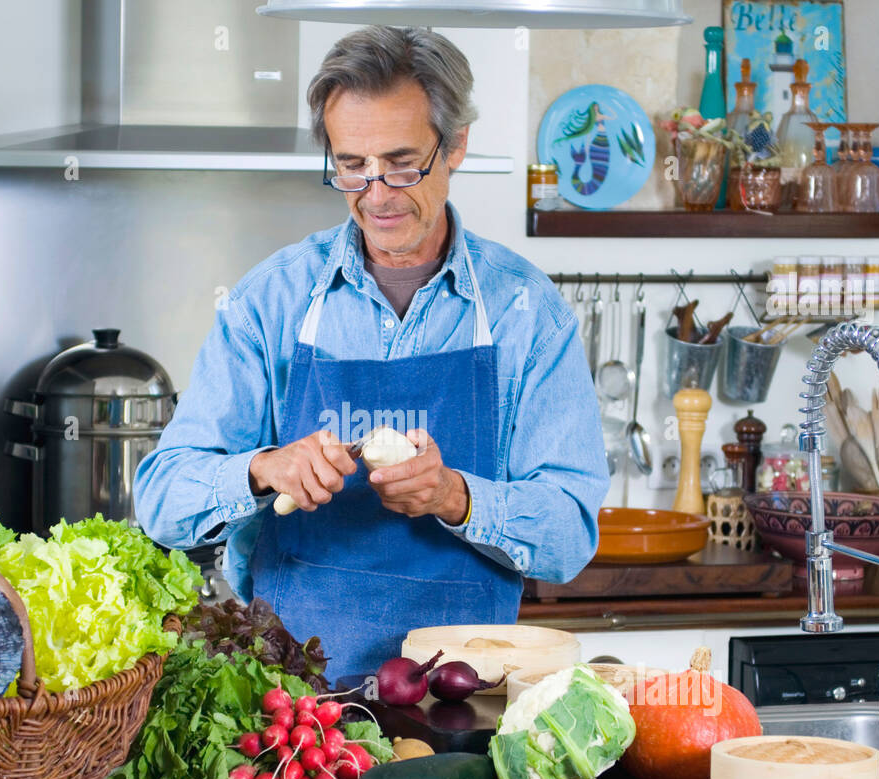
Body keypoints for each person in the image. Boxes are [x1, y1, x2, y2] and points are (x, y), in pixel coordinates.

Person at [136, 25, 609, 679]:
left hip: (464, 703)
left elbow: (569, 536)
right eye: (352, 166)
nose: (377, 194)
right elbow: (159, 500)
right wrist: (264, 469)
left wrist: (455, 496)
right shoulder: (269, 302)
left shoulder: (529, 313)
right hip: (289, 709)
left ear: (457, 146)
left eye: (402, 162)